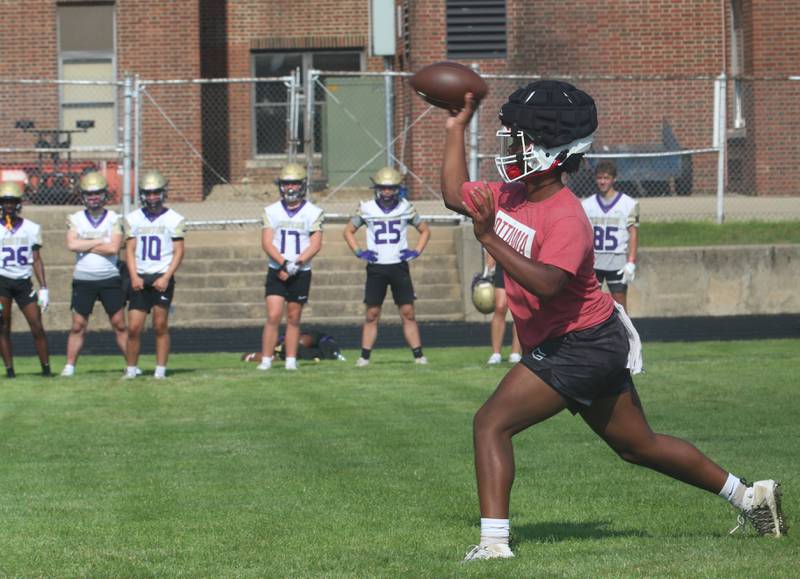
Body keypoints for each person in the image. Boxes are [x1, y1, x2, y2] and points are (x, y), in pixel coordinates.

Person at [440, 81, 785, 561]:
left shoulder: (566, 216)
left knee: (490, 424)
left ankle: (494, 545)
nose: (510, 149)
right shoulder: (512, 195)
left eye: (520, 140)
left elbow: (548, 285)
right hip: (587, 341)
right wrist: (456, 126)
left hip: (578, 343)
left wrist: (489, 241)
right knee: (637, 446)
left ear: (551, 153)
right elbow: (456, 195)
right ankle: (751, 497)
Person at [343, 166, 430, 367]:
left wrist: (416, 251)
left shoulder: (405, 207)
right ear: (377, 189)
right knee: (372, 313)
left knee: (408, 312)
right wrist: (359, 252)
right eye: (383, 188)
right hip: (376, 267)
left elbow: (425, 230)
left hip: (399, 266)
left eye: (391, 188)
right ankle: (364, 356)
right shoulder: (367, 208)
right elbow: (348, 231)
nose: (387, 192)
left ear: (397, 189)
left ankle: (418, 356)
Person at [258, 163, 324, 372]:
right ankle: (266, 359)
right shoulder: (272, 211)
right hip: (277, 268)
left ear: (302, 185)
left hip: (301, 271)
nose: (290, 188)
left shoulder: (313, 212)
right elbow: (267, 243)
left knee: (294, 317)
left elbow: (315, 244)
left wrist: (297, 264)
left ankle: (290, 359)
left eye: (294, 183)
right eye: (286, 183)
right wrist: (285, 263)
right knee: (274, 315)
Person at [61, 171, 127, 377]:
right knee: (78, 325)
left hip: (109, 278)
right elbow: (72, 244)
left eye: (97, 193)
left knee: (119, 324)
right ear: (83, 196)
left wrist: (86, 244)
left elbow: (113, 249)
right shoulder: (76, 218)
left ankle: (131, 364)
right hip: (84, 279)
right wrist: (100, 241)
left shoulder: (114, 218)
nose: (94, 198)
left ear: (104, 195)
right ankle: (70, 366)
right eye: (90, 194)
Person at [123, 170, 185, 379]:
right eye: (148, 193)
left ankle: (160, 370)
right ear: (142, 194)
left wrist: (166, 277)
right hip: (140, 275)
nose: (152, 198)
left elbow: (179, 252)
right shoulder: (133, 218)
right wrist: (133, 276)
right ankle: (131, 370)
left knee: (160, 325)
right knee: (133, 327)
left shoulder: (174, 218)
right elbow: (129, 250)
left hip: (161, 275)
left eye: (155, 193)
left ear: (162, 193)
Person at [0, 181, 51, 377]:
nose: (8, 206)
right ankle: (10, 371)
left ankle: (46, 369)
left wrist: (43, 287)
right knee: (2, 326)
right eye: (4, 201)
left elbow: (36, 260)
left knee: (36, 324)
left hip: (23, 282)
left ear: (19, 203)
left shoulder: (31, 228)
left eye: (12, 201)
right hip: (1, 282)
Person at [581, 160, 639, 310]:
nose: (602, 181)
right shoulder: (587, 205)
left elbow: (633, 233)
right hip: (594, 260)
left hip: (617, 259)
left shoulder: (628, 204)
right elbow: (582, 235)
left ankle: (625, 334)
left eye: (606, 178)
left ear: (614, 179)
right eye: (599, 178)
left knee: (619, 304)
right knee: (590, 304)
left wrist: (631, 261)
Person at [484, 251, 522, 365]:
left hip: (522, 264)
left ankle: (515, 353)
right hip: (503, 264)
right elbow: (492, 241)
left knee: (520, 309)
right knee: (500, 306)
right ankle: (496, 353)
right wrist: (487, 271)